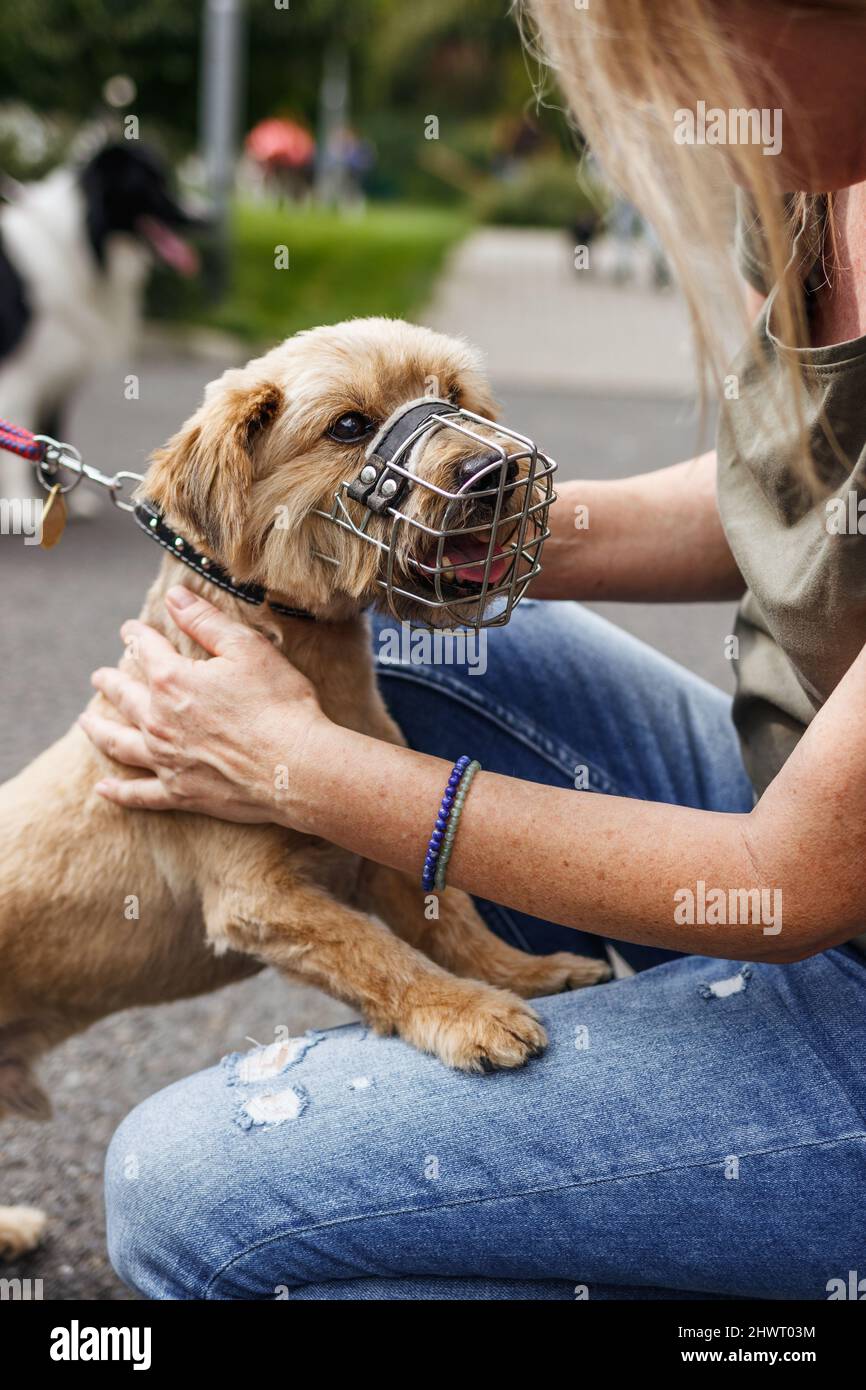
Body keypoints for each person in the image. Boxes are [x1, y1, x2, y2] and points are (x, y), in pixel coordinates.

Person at [84, 0, 866, 1299]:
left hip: (818, 904)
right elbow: (792, 494)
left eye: (662, 47)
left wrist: (295, 769)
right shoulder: (807, 165)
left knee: (186, 1196)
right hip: (796, 796)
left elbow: (791, 885)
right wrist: (464, 535)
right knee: (438, 642)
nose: (661, 107)